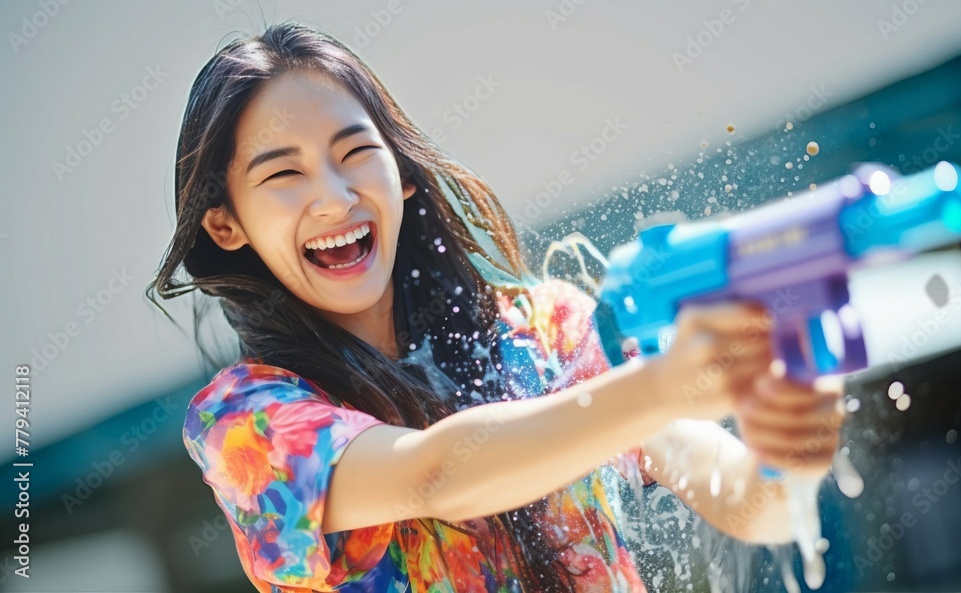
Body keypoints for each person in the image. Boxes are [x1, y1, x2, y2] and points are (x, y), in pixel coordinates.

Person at [147, 21, 845, 593]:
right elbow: (438, 473)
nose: (335, 196)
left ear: (404, 177)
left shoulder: (547, 330)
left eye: (356, 152)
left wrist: (800, 425)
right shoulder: (245, 423)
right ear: (226, 225)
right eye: (284, 173)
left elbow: (753, 501)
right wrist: (665, 382)